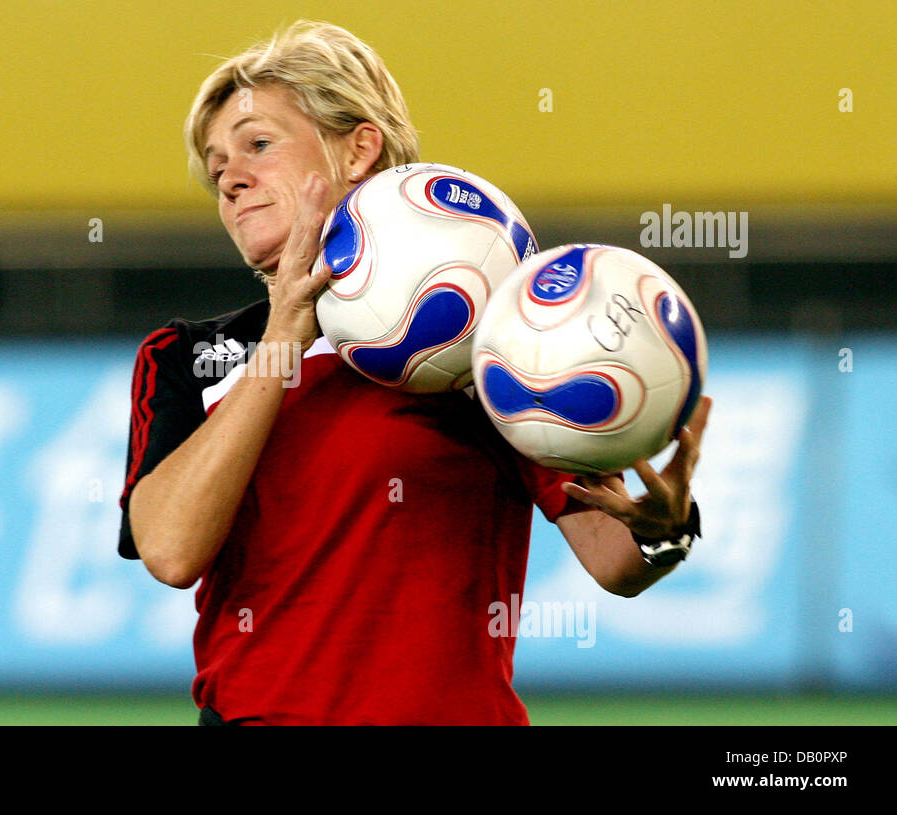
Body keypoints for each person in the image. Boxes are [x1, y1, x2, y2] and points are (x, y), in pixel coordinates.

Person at [117, 20, 711, 725]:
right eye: (218, 171)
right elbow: (171, 551)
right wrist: (283, 337)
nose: (232, 180)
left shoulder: (482, 332)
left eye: (259, 145)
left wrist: (665, 531)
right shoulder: (186, 355)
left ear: (359, 148)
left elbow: (613, 558)